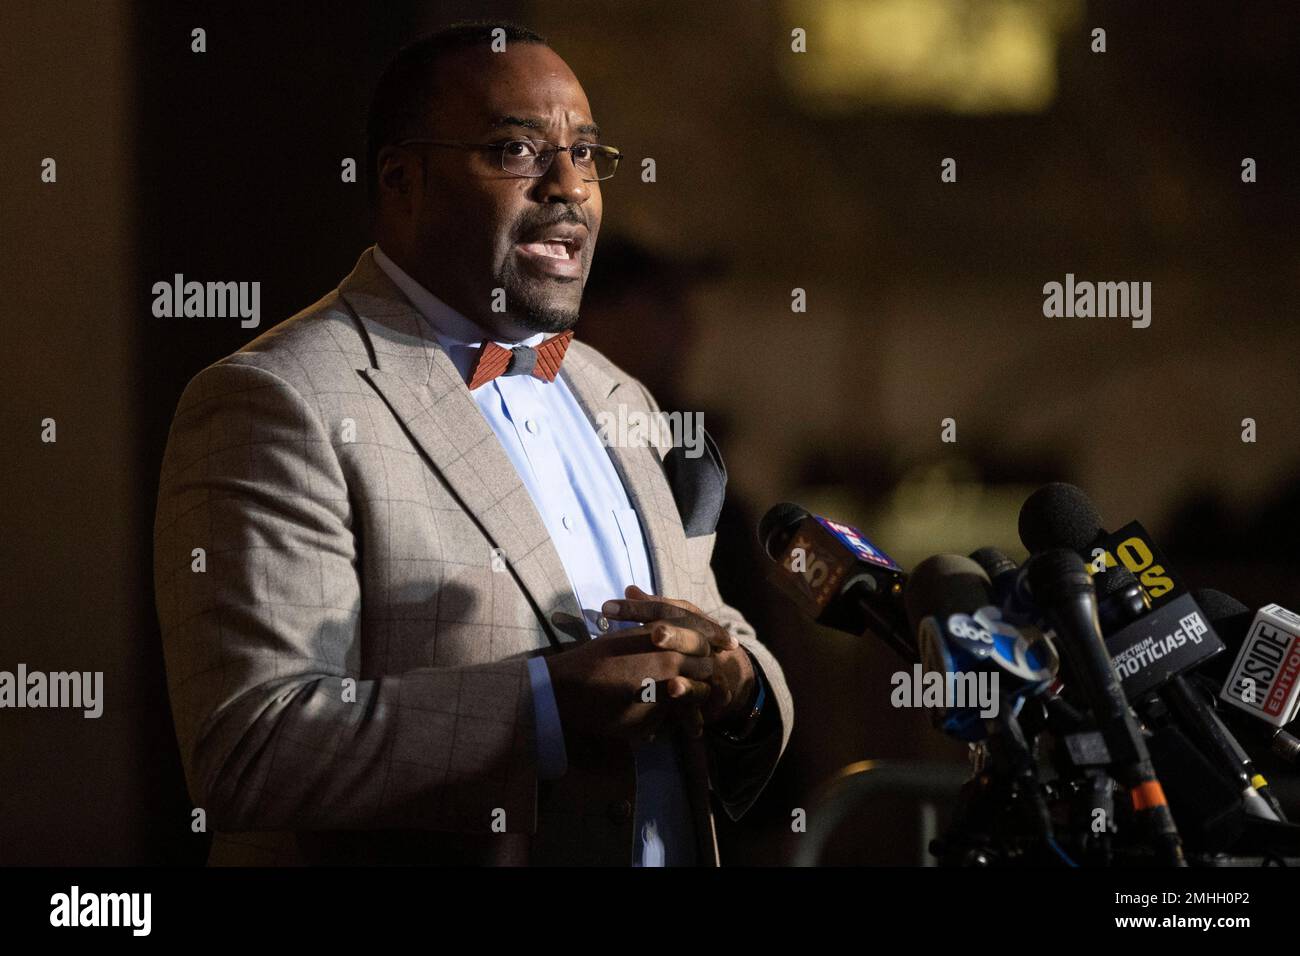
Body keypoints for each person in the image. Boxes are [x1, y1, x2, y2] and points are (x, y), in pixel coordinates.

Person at [153, 20, 791, 866]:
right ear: (400, 177)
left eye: (587, 153)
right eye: (518, 150)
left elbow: (727, 633)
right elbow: (252, 749)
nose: (570, 186)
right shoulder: (276, 401)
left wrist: (734, 684)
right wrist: (545, 709)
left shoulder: (614, 391)